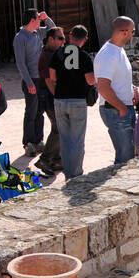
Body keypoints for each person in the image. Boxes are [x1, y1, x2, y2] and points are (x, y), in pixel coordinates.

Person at [48, 24, 96, 178]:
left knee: (65, 138)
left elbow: (52, 77)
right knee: (77, 139)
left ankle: (67, 170)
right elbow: (90, 81)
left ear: (70, 36)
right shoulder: (84, 56)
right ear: (85, 39)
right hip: (77, 101)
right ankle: (75, 173)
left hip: (60, 100)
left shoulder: (58, 53)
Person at [95, 16, 138, 165]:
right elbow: (103, 87)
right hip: (116, 110)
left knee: (128, 154)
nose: (133, 34)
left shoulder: (118, 50)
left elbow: (117, 79)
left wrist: (133, 89)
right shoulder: (109, 54)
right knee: (125, 158)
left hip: (122, 108)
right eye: (133, 31)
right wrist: (122, 108)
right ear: (124, 32)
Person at [12, 9, 51, 154]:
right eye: (38, 19)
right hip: (31, 80)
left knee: (40, 112)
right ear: (32, 21)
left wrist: (47, 18)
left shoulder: (38, 33)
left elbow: (53, 31)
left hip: (41, 79)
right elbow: (20, 64)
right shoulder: (20, 37)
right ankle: (28, 142)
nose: (40, 21)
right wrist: (29, 83)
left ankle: (38, 140)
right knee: (31, 112)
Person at [34, 26, 66, 176]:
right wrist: (59, 97)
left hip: (54, 95)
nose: (63, 40)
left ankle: (56, 159)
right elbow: (48, 80)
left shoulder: (55, 52)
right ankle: (45, 159)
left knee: (60, 127)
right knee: (59, 128)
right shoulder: (47, 56)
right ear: (51, 40)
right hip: (50, 96)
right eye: (60, 38)